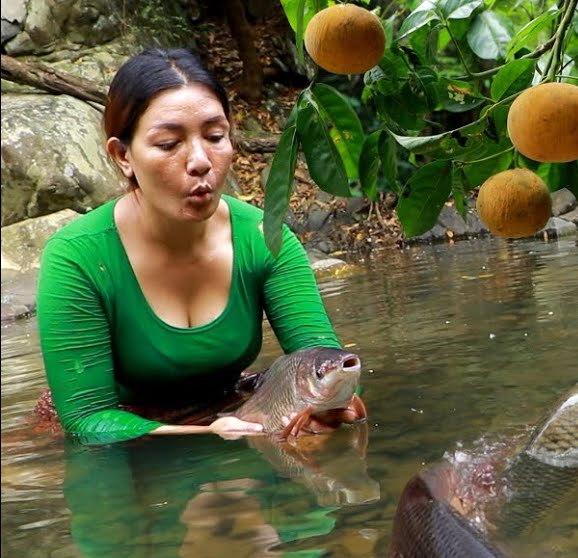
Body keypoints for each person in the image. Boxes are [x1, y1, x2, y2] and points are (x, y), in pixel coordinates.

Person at [35, 48, 364, 444]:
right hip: (121, 434)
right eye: (169, 143)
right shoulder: (79, 257)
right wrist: (206, 432)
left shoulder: (264, 238)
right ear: (123, 156)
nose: (200, 161)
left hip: (229, 415)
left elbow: (319, 356)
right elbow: (87, 418)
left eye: (214, 137)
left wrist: (335, 402)